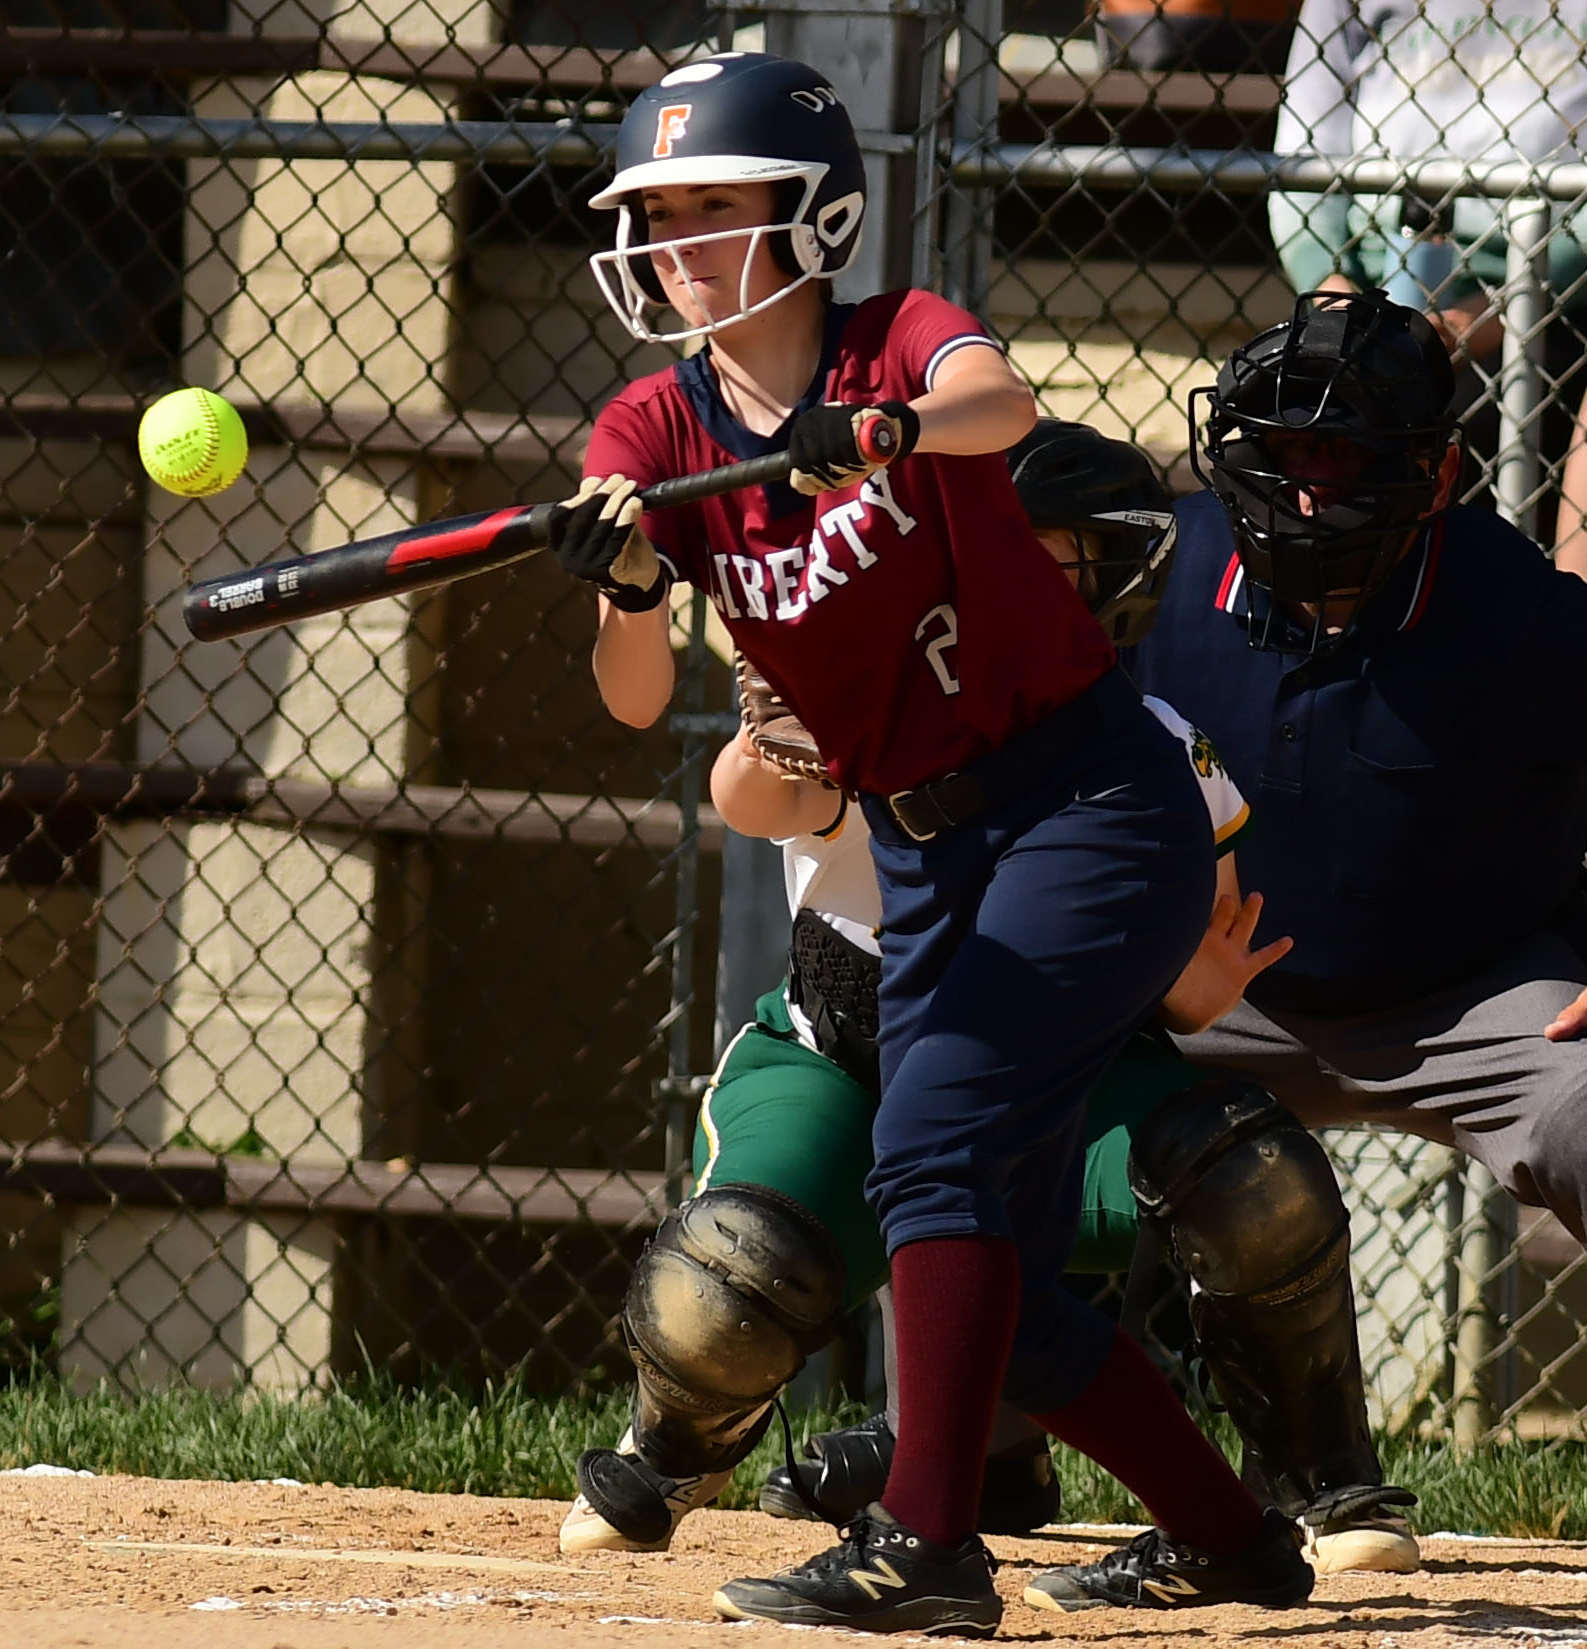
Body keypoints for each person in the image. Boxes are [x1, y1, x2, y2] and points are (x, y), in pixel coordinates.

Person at [550, 55, 1312, 1629]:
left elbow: (998, 400)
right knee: (1002, 1292)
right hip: (925, 852)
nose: (677, 239)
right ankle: (1232, 1539)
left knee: (932, 1149)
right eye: (655, 213)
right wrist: (624, 573)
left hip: (1083, 804)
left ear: (806, 214)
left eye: (713, 206)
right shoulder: (659, 418)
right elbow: (633, 702)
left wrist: (877, 430)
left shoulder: (887, 336)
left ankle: (926, 1544)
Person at [559, 419, 1417, 1582]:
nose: (979, 589)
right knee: (730, 1277)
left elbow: (1187, 973)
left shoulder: (1145, 751)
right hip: (844, 1056)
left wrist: (1189, 984)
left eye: (1026, 559)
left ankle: (1287, 1495)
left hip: (1043, 1078)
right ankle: (676, 1448)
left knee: (1241, 1179)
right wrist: (795, 734)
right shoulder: (872, 725)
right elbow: (745, 789)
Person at [1128, 291, 1587, 1403]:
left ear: (1433, 474)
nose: (1303, 483)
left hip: (1465, 999)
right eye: (1282, 446)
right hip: (1204, 987)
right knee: (984, 1076)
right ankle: (977, 1450)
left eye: (1339, 452)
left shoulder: (1517, 610)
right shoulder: (1152, 575)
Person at [1269, 0, 1587, 573]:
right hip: (1363, 286)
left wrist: (1490, 315)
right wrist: (1337, 304)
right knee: (1293, 420)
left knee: (1445, 434)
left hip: (1542, 292)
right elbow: (1300, 171)